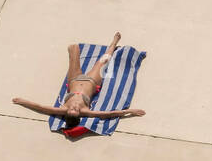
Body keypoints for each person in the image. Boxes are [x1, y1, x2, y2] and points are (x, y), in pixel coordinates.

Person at [12, 38, 145, 128]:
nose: (74, 107)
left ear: (67, 112)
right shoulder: (85, 111)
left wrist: (22, 101)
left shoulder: (63, 109)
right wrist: (131, 111)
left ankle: (75, 51)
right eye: (76, 110)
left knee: (74, 49)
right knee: (104, 61)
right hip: (92, 81)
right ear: (79, 114)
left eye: (71, 109)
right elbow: (108, 114)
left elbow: (40, 107)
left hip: (74, 80)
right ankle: (114, 43)